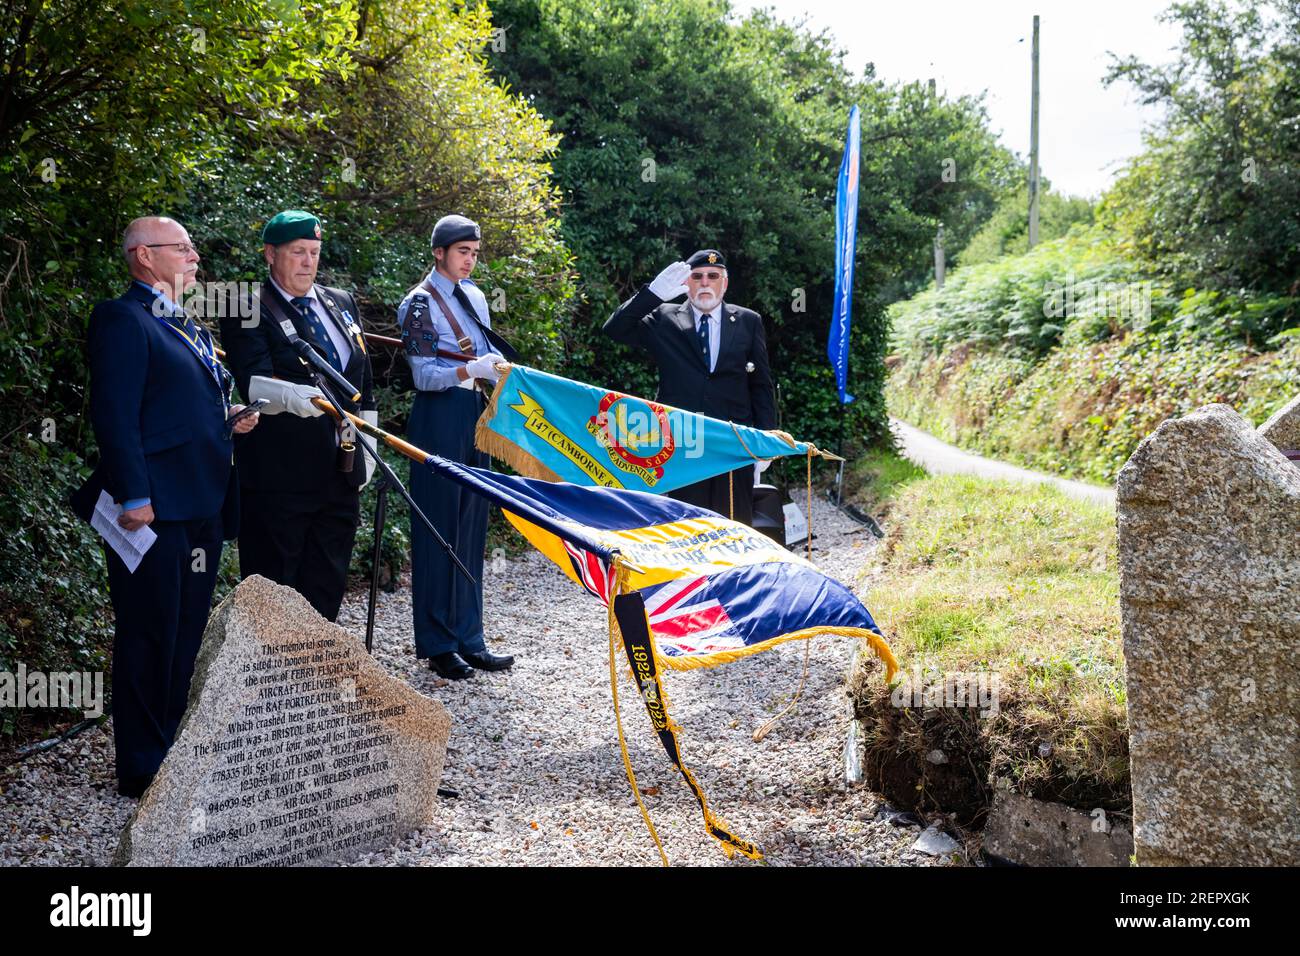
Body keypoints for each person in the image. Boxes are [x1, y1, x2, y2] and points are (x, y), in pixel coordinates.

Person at [71, 216, 259, 798]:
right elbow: (116, 414)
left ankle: (173, 746)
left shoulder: (185, 324)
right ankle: (141, 763)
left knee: (184, 632)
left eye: (192, 248)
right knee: (148, 632)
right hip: (152, 509)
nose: (194, 256)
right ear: (144, 257)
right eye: (182, 248)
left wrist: (233, 419)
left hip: (202, 500)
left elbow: (177, 408)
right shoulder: (122, 318)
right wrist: (135, 494)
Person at [218, 210, 377, 622]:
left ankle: (314, 675)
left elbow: (364, 381)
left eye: (314, 252)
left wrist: (370, 449)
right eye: (297, 252)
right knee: (274, 592)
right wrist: (298, 397)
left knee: (327, 584)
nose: (309, 262)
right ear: (271, 254)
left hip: (341, 471)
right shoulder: (245, 304)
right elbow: (252, 381)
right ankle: (269, 684)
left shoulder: (339, 302)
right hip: (279, 477)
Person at [397, 214, 518, 680]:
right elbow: (423, 376)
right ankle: (437, 643)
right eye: (461, 251)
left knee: (470, 526)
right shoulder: (418, 304)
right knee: (438, 527)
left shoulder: (477, 297)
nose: (469, 260)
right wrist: (472, 370)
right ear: (439, 252)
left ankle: (471, 637)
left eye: (474, 251)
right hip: (438, 414)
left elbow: (482, 357)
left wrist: (491, 370)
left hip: (473, 414)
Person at [603, 249, 777, 526]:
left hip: (733, 443)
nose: (705, 282)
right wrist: (653, 294)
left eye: (713, 276)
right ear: (686, 283)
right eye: (697, 276)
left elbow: (761, 383)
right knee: (685, 525)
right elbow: (615, 329)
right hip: (681, 444)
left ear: (725, 282)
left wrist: (768, 437)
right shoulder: (664, 317)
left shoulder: (747, 320)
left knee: (734, 524)